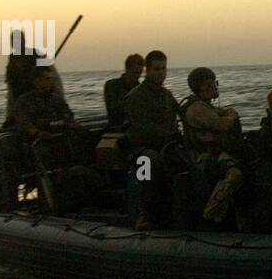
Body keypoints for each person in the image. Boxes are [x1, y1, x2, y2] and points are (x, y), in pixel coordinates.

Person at [181, 67, 247, 224]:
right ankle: (211, 213)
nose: (213, 88)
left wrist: (229, 114)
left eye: (214, 83)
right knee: (234, 174)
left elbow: (227, 112)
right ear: (199, 88)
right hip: (204, 156)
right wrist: (230, 116)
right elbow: (222, 124)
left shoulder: (206, 106)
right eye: (208, 84)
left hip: (215, 151)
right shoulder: (196, 108)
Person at [124, 50, 181, 229]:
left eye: (163, 69)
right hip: (140, 149)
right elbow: (140, 131)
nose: (161, 73)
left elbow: (182, 113)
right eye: (156, 69)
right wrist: (168, 136)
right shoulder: (135, 97)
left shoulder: (167, 95)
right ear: (147, 71)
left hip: (167, 145)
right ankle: (143, 214)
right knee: (148, 162)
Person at [3, 29, 65, 128]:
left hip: (39, 103)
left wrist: (56, 99)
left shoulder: (37, 55)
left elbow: (54, 80)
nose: (16, 43)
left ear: (24, 40)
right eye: (14, 40)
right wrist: (10, 113)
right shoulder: (12, 60)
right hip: (21, 105)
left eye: (19, 39)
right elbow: (11, 89)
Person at [10, 66, 76, 141]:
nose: (51, 82)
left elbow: (68, 115)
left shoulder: (56, 99)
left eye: (52, 79)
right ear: (37, 81)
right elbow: (24, 124)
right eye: (47, 79)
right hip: (36, 141)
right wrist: (37, 133)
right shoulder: (24, 102)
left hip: (60, 136)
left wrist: (71, 123)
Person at [104, 53, 145, 128]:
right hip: (117, 128)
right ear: (127, 70)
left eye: (140, 73)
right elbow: (113, 112)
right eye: (135, 72)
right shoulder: (112, 85)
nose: (138, 76)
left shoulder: (141, 89)